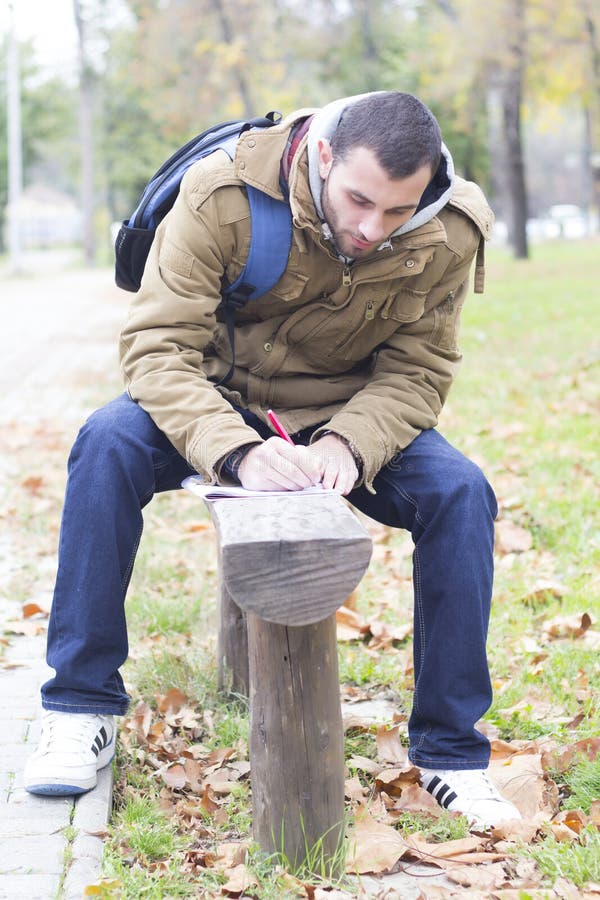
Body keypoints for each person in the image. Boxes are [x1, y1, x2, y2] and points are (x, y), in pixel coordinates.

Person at [24, 91, 521, 829]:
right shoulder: (224, 194)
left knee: (462, 491)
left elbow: (419, 371)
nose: (371, 228)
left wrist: (350, 444)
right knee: (106, 443)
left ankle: (451, 754)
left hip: (343, 415)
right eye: (359, 201)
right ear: (323, 155)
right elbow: (157, 349)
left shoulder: (449, 230)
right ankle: (78, 706)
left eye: (397, 210)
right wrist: (236, 450)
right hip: (217, 398)